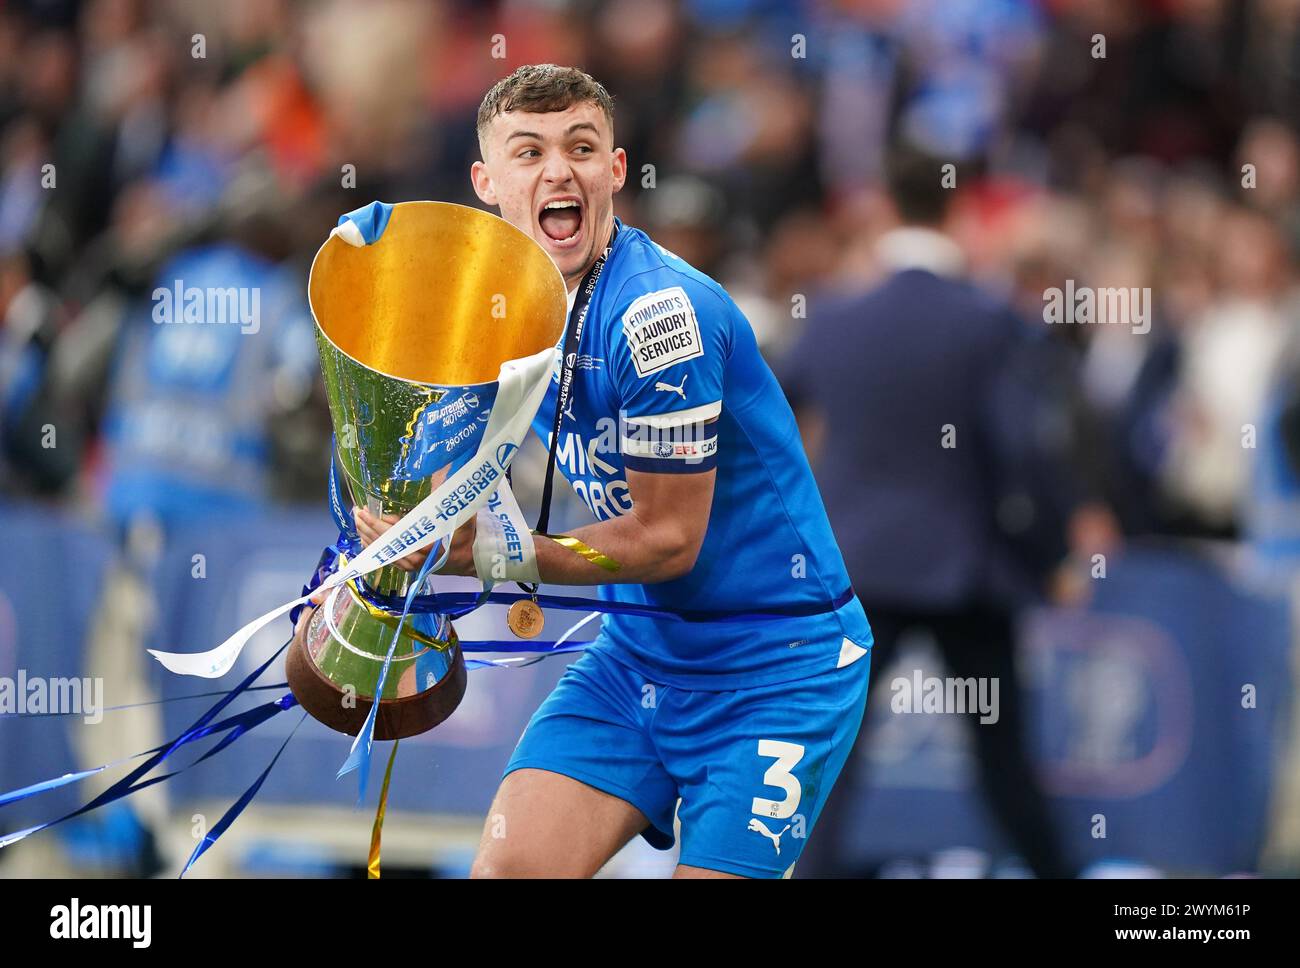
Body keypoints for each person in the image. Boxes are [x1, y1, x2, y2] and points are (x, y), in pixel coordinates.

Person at [297, 64, 873, 879]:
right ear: (485, 182)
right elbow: (438, 487)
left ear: (615, 170)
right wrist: (377, 556)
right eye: (527, 152)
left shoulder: (657, 317)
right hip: (638, 655)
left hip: (776, 665)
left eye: (580, 147)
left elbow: (669, 540)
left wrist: (492, 555)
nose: (557, 170)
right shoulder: (495, 308)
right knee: (507, 873)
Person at [780, 143, 1088, 879]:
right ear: (955, 209)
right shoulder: (989, 322)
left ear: (883, 207)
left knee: (830, 765)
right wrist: (1052, 556)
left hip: (856, 572)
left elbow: (774, 437)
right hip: (967, 574)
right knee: (1004, 764)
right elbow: (1026, 452)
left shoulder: (831, 319)